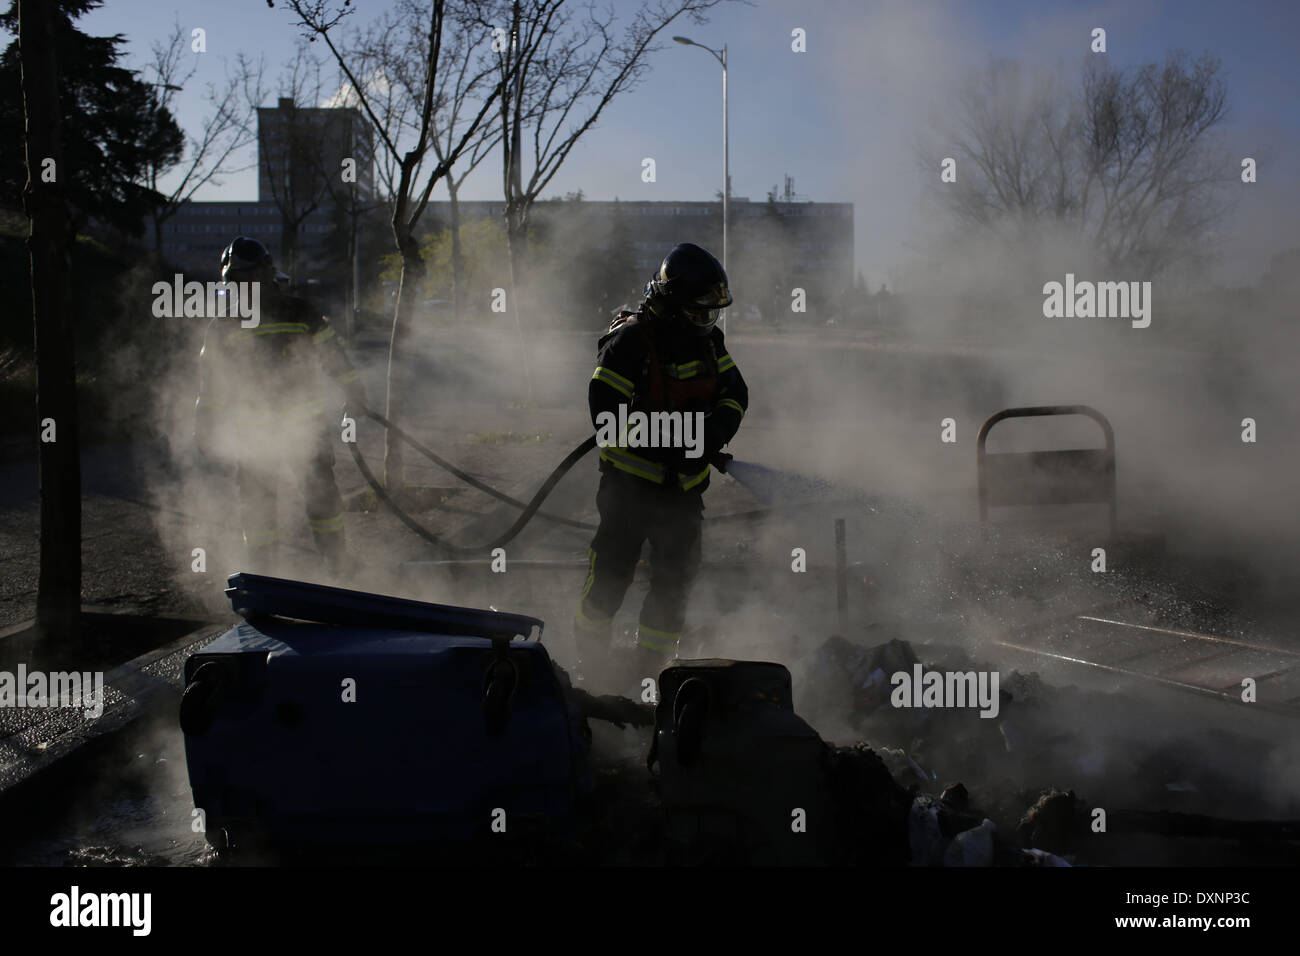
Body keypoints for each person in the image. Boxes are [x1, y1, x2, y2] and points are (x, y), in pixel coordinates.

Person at [573, 242, 748, 693]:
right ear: (671, 305)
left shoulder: (709, 341)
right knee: (608, 583)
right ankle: (592, 676)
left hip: (684, 497)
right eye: (697, 313)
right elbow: (607, 421)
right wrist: (677, 441)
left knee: (673, 589)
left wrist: (717, 429)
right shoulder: (629, 343)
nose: (707, 323)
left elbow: (735, 391)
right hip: (628, 493)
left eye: (711, 314)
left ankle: (650, 676)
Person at [194, 236, 366, 575]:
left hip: (300, 428)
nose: (243, 287)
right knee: (260, 506)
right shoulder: (224, 326)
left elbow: (333, 355)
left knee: (321, 498)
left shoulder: (296, 312)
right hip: (260, 434)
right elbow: (211, 385)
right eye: (237, 282)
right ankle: (264, 575)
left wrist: (354, 392)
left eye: (247, 279)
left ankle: (335, 563)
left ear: (265, 274)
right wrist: (205, 426)